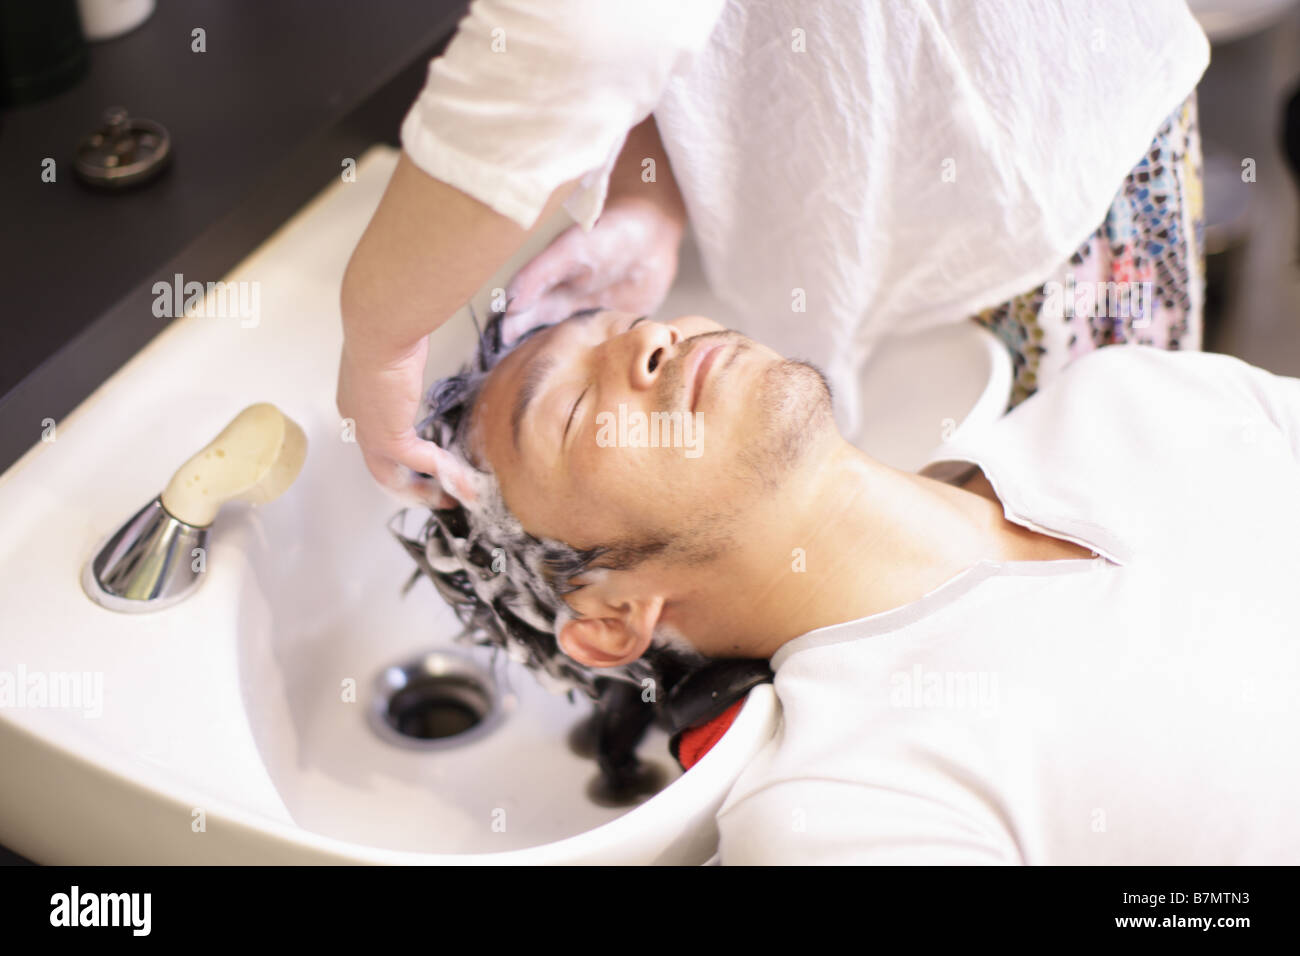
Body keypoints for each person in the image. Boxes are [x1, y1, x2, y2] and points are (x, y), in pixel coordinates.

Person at [394, 305, 1300, 865]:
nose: (650, 341)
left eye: (626, 321)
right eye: (579, 406)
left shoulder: (1131, 398)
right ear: (610, 617)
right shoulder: (844, 816)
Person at [338, 0, 1211, 506]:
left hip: (1019, 202)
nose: (652, 337)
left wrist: (383, 328)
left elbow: (591, 31)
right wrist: (654, 190)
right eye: (568, 414)